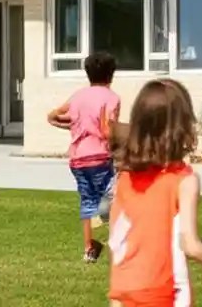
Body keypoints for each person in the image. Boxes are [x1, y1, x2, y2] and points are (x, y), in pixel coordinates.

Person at [108, 79, 202, 306]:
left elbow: (116, 239)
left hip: (123, 288)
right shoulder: (184, 180)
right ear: (182, 125)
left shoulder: (125, 177)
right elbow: (192, 246)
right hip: (163, 291)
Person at [47, 51, 121, 262]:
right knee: (116, 197)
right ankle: (117, 245)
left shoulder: (78, 96)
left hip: (78, 158)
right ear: (111, 74)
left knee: (87, 200)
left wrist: (74, 126)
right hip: (100, 155)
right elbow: (108, 130)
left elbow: (52, 116)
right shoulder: (112, 97)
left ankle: (89, 249)